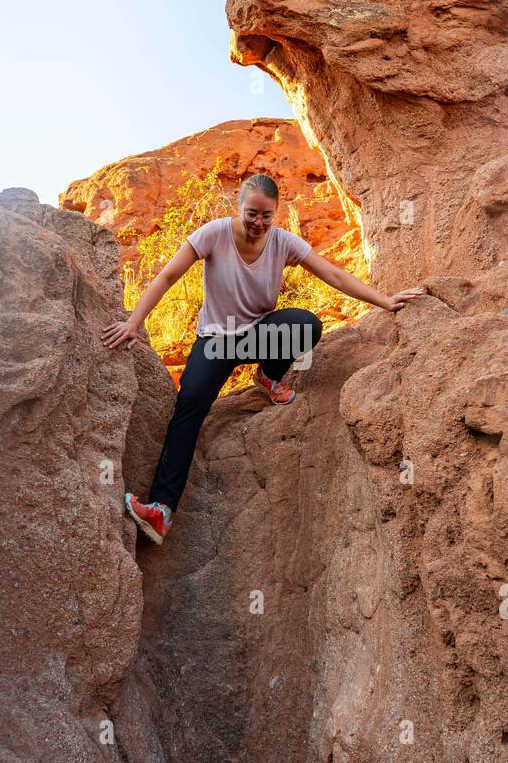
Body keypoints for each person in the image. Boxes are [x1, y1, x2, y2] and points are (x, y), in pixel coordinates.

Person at [102, 173, 425, 543]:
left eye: (266, 216)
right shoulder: (214, 234)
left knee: (305, 324)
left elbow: (333, 276)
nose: (258, 223)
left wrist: (386, 301)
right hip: (216, 341)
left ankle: (269, 378)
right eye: (251, 213)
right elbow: (167, 277)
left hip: (259, 334)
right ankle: (162, 511)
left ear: (276, 213)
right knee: (189, 406)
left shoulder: (283, 243)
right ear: (239, 207)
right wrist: (133, 323)